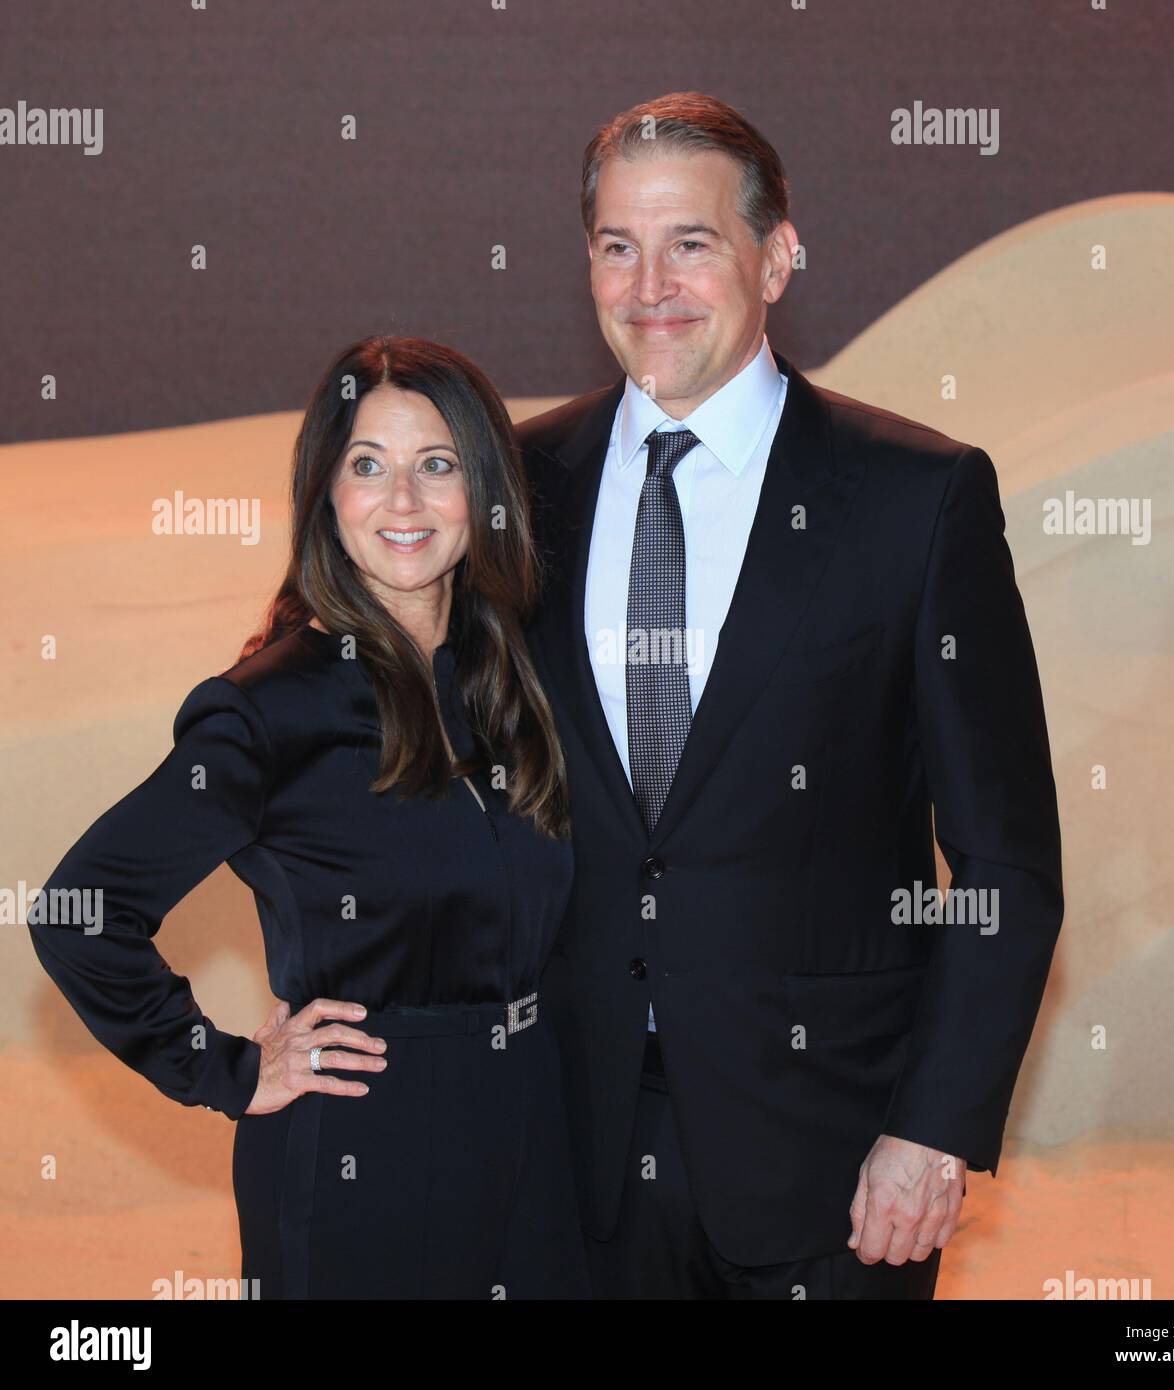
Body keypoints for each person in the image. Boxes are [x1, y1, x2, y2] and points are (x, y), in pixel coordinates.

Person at [516, 91, 1064, 1300]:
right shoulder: (518, 486)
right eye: (618, 245)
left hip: (835, 1163)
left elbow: (1005, 863)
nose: (649, 282)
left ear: (778, 254)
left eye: (691, 242)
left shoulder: (914, 497)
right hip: (565, 1151)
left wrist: (933, 1127)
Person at [27, 336, 590, 1300]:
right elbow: (79, 912)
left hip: (536, 1129)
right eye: (366, 466)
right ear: (325, 494)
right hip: (364, 1146)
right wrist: (229, 1071)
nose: (402, 502)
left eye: (437, 465)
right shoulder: (268, 709)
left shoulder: (516, 678)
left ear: (485, 491)